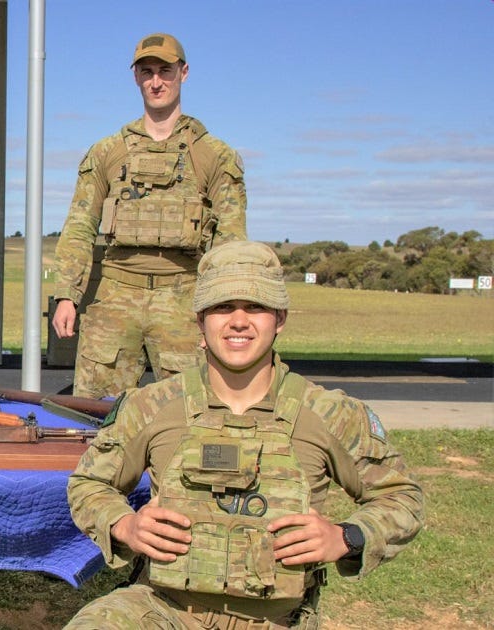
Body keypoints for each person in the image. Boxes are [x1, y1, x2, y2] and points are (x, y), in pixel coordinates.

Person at [64, 241, 425, 629]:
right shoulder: (151, 406)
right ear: (200, 320)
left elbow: (401, 497)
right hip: (161, 610)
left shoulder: (328, 413)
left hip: (277, 620)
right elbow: (89, 483)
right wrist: (125, 525)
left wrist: (347, 537)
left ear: (279, 318)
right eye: (222, 307)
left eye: (255, 307)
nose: (239, 321)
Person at [52, 33, 247, 399]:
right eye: (147, 72)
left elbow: (230, 241)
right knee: (95, 413)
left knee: (193, 410)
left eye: (165, 71)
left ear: (183, 73)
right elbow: (79, 226)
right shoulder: (107, 152)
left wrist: (223, 307)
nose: (156, 82)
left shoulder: (214, 156)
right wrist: (67, 295)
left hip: (184, 297)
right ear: (136, 77)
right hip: (115, 295)